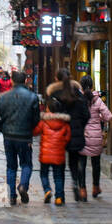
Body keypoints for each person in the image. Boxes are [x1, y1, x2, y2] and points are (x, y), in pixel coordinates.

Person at [0, 70, 40, 204]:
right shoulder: (32, 97)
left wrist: (2, 129)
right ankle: (23, 185)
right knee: (26, 164)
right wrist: (29, 129)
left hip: (9, 136)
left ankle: (12, 196)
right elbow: (36, 119)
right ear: (25, 81)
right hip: (25, 137)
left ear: (12, 81)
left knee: (11, 167)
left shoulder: (3, 97)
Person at [46, 67, 89, 201]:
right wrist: (80, 126)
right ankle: (77, 183)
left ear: (56, 78)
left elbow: (51, 116)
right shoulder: (78, 93)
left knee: (60, 164)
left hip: (59, 134)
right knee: (75, 160)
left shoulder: (54, 95)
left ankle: (60, 194)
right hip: (76, 132)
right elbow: (86, 114)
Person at [80, 72, 112, 198]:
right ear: (92, 86)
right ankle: (95, 187)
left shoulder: (79, 100)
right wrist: (99, 117)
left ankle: (82, 190)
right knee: (96, 163)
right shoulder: (98, 100)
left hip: (83, 136)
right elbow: (108, 116)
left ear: (81, 87)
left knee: (81, 163)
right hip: (96, 137)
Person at [33, 96, 70, 207]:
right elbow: (67, 137)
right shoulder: (64, 123)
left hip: (45, 154)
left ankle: (47, 190)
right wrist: (61, 144)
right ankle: (58, 198)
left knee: (44, 174)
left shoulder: (44, 122)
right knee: (58, 176)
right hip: (58, 154)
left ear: (48, 109)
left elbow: (35, 132)